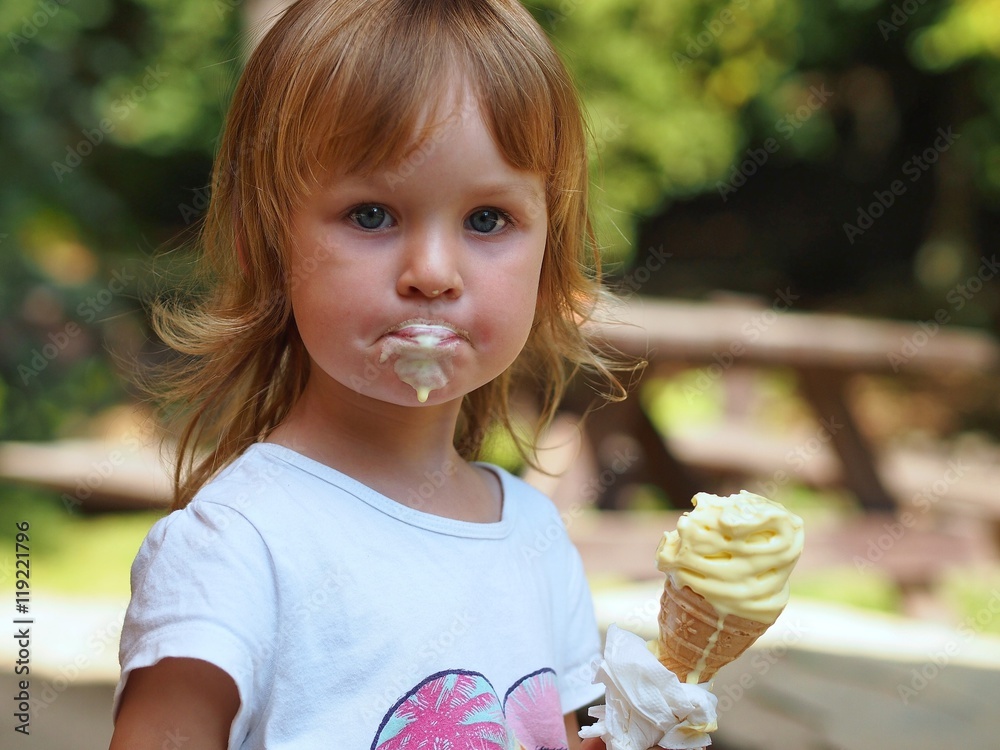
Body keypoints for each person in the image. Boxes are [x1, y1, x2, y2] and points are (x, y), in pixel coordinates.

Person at [110, 1, 635, 748]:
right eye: (371, 215)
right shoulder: (240, 547)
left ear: (549, 258)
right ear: (268, 240)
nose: (431, 272)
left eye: (487, 220)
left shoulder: (536, 537)